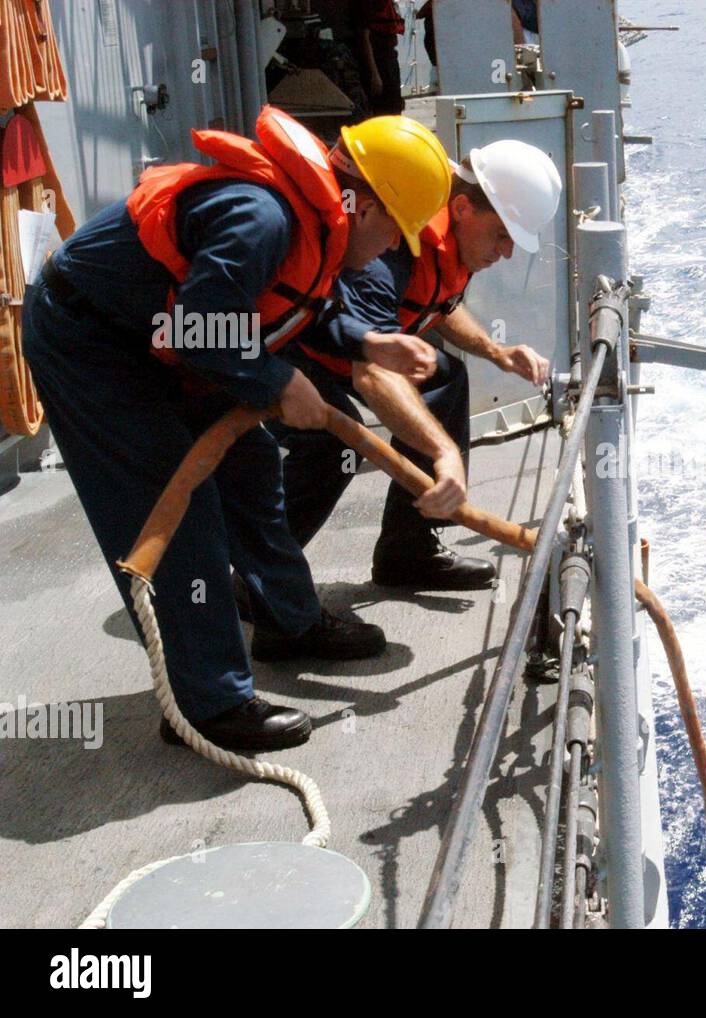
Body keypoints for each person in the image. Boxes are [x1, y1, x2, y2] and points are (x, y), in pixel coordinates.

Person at [22, 107, 452, 751]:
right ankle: (208, 704)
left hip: (150, 340)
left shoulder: (312, 224)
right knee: (177, 505)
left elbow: (295, 301)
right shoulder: (262, 217)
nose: (398, 249)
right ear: (363, 206)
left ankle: (289, 623)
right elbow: (200, 325)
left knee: (249, 463)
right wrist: (276, 383)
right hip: (91, 343)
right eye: (399, 232)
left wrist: (368, 341)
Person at [273, 139, 562, 591]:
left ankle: (407, 553)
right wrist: (444, 453)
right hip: (278, 342)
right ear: (463, 208)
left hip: (341, 347)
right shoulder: (389, 254)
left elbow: (438, 305)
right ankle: (260, 587)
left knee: (446, 379)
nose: (506, 253)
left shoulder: (452, 237)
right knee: (332, 443)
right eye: (502, 235)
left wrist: (496, 351)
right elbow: (372, 372)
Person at [350, 0, 406, 116]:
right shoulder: (368, 5)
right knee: (381, 107)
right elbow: (365, 38)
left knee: (395, 104)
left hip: (390, 58)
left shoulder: (387, 5)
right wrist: (375, 75)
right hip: (378, 61)